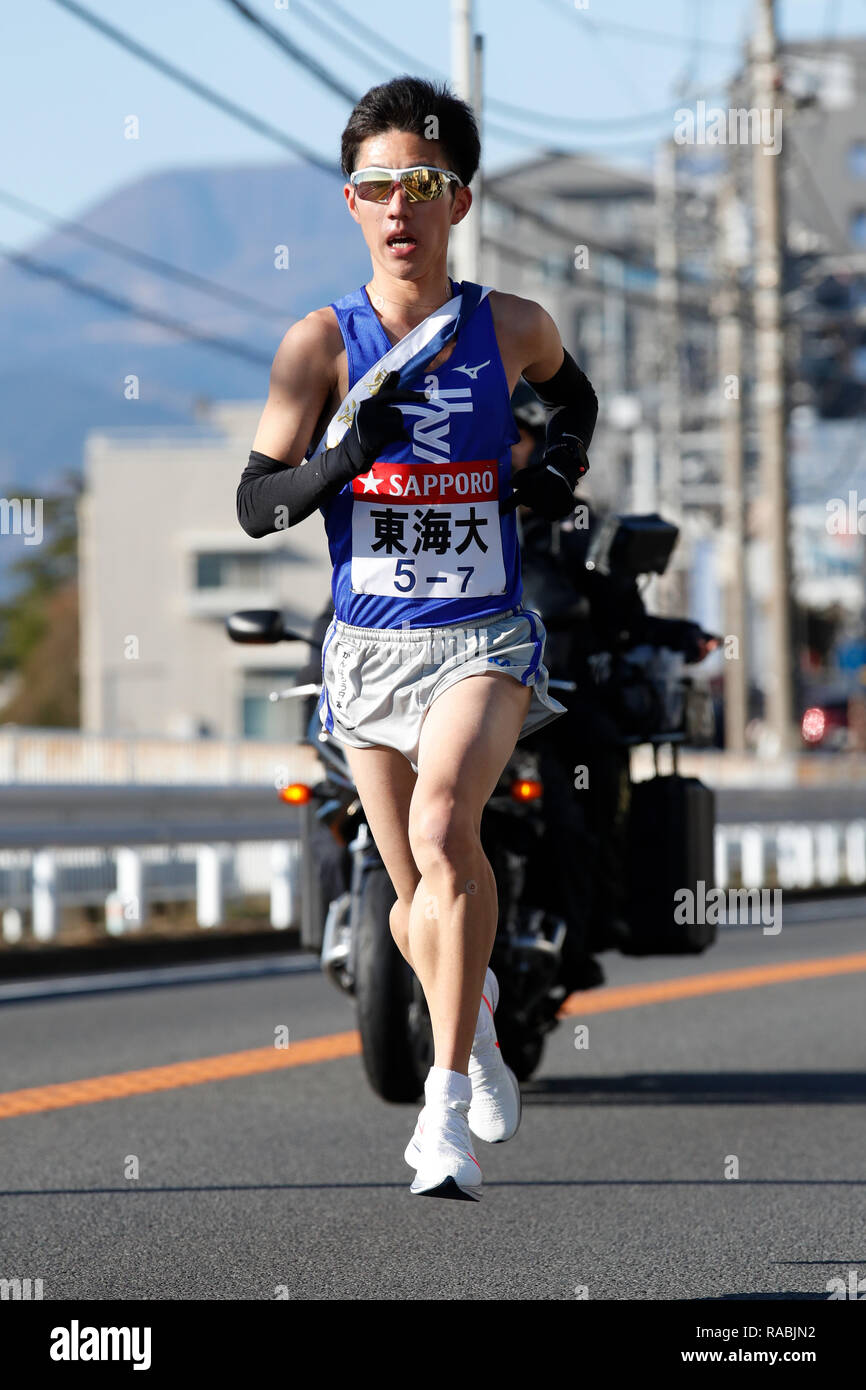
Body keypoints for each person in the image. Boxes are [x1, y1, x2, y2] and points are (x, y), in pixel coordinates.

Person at [236, 76, 598, 1201]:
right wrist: (346, 456)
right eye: (378, 187)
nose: (401, 207)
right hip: (365, 650)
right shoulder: (318, 343)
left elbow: (574, 401)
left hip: (481, 634)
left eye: (423, 185)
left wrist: (553, 470)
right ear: (352, 204)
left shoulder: (508, 325)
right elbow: (256, 504)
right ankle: (477, 1027)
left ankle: (442, 1120)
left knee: (447, 829)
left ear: (460, 201)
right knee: (409, 900)